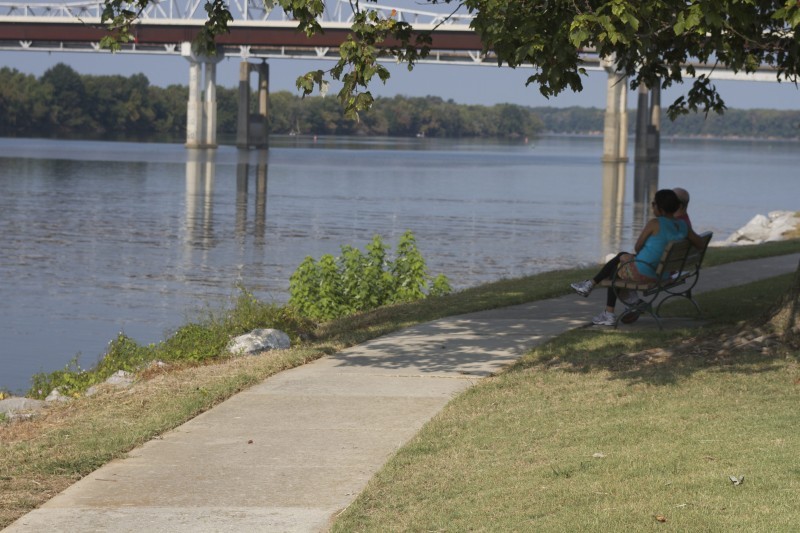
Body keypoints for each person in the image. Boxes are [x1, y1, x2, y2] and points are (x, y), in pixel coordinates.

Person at [570, 189, 699, 326]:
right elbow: (700, 243)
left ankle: (607, 307)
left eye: (653, 204)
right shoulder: (683, 225)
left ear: (660, 209)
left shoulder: (655, 223)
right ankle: (598, 291)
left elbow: (638, 247)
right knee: (622, 257)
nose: (652, 206)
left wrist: (641, 253)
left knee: (615, 271)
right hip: (665, 273)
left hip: (647, 273)